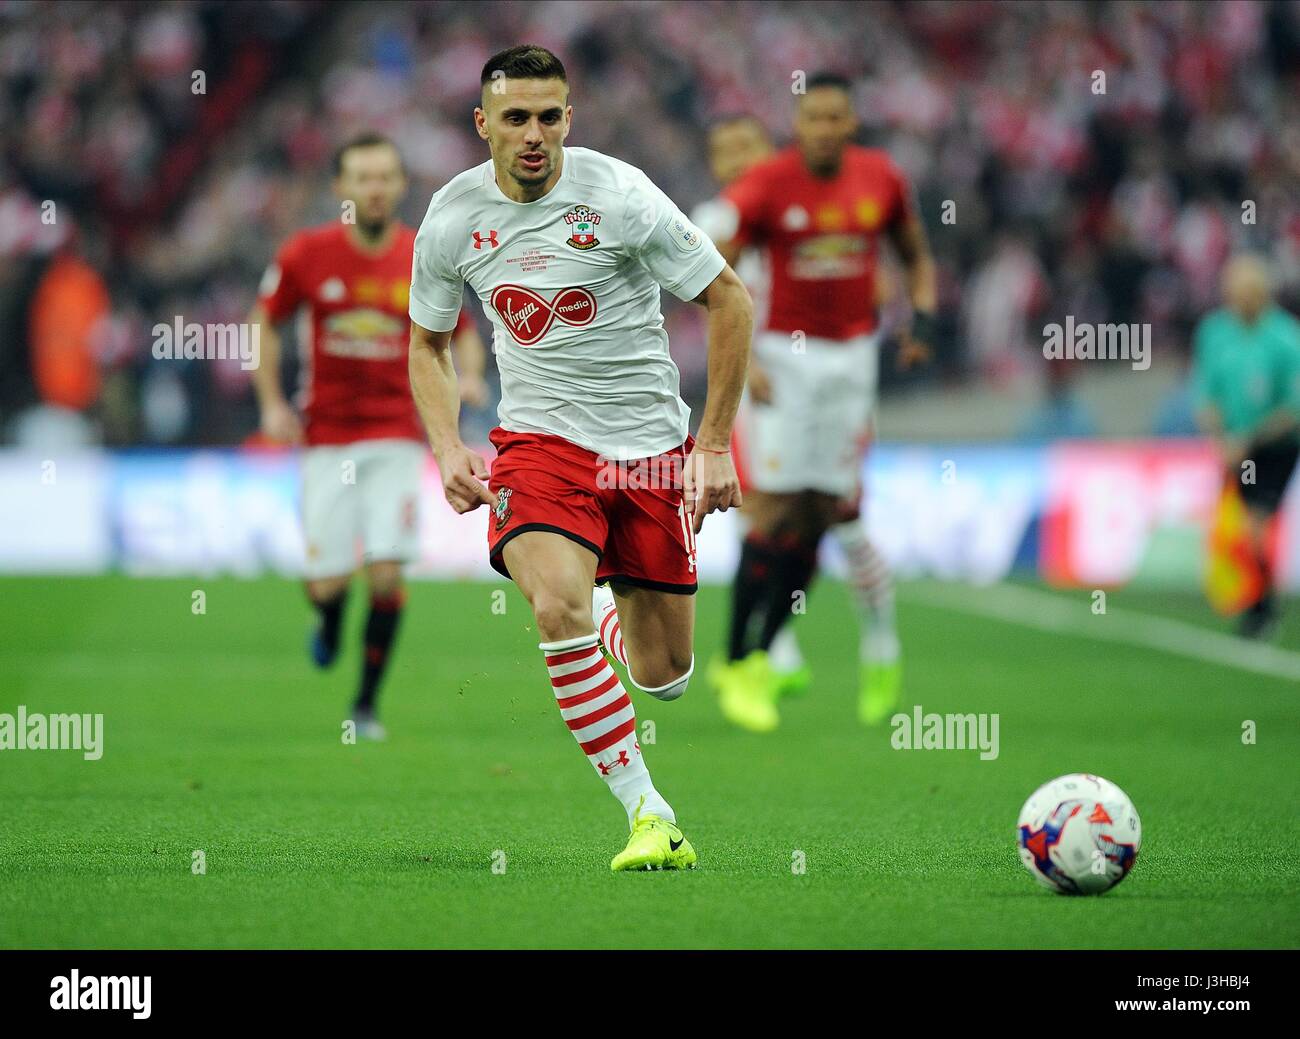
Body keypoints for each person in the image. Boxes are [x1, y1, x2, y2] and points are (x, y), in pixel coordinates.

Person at [407, 44, 752, 872]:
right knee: (555, 604)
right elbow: (427, 344)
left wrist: (711, 442)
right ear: (482, 122)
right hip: (538, 447)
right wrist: (448, 443)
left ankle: (610, 613)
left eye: (549, 116)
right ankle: (649, 813)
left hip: (646, 453)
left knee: (661, 672)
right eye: (516, 117)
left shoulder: (620, 195)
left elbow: (728, 297)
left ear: (571, 117)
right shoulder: (452, 217)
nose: (534, 134)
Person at [704, 74, 937, 732]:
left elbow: (914, 254)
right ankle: (744, 656)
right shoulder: (770, 186)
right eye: (815, 117)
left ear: (852, 121)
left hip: (854, 364)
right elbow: (713, 263)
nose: (827, 128)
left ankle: (773, 652)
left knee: (826, 511)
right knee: (769, 507)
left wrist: (924, 318)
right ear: (798, 123)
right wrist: (739, 355)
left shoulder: (882, 178)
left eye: (838, 116)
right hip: (784, 362)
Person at [251, 132, 487, 739]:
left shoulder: (422, 254)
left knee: (386, 572)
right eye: (363, 177)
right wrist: (273, 403)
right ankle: (329, 620)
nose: (375, 188)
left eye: (385, 177)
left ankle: (365, 705)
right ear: (341, 188)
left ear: (401, 184)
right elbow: (266, 326)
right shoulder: (307, 255)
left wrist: (471, 380)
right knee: (328, 583)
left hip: (396, 434)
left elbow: (462, 330)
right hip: (325, 438)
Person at [1192, 254, 1300, 639]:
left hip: (1275, 447)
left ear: (1262, 294)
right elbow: (1207, 396)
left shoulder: (1286, 339)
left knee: (1257, 525)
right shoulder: (1215, 332)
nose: (1238, 302)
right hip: (1234, 447)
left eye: (1246, 294)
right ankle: (1258, 601)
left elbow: (1293, 408)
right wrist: (1221, 439)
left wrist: (1248, 439)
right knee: (1241, 528)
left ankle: (1262, 607)